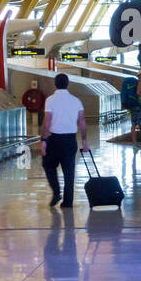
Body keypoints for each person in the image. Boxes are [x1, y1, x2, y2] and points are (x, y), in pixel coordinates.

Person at [42, 72, 88, 208]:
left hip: (55, 140)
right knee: (69, 171)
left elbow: (47, 121)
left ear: (55, 84)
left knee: (48, 165)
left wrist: (43, 140)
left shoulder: (50, 100)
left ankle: (56, 192)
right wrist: (84, 141)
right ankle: (68, 202)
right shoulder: (76, 101)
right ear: (68, 84)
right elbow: (82, 122)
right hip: (70, 140)